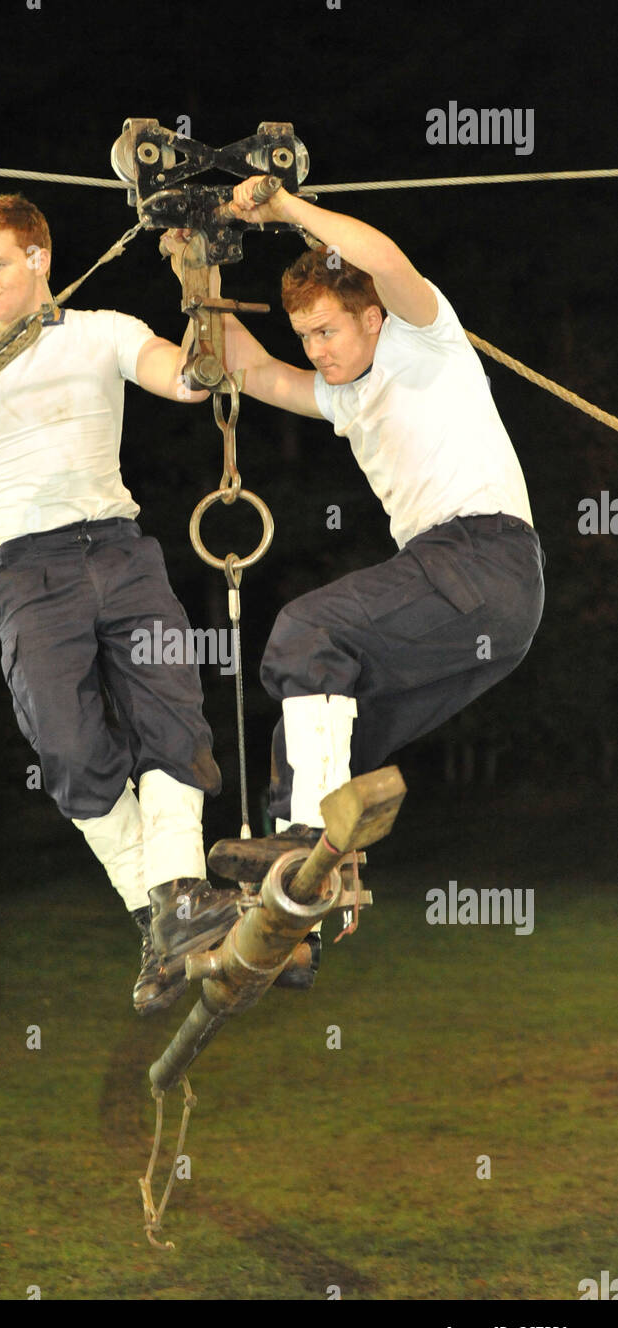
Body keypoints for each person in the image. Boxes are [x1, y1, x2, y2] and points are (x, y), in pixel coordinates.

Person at [0, 192, 283, 1016]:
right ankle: (162, 915)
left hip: (120, 553)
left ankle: (180, 903)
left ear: (40, 259)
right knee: (68, 750)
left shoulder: (105, 331)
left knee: (172, 722)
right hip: (27, 571)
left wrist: (199, 284)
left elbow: (189, 380)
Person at [209, 177, 545, 970]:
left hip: (480, 558)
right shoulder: (343, 394)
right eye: (305, 336)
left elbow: (383, 257)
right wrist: (200, 269)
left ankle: (296, 843)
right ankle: (297, 923)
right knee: (323, 731)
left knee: (306, 630)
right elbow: (251, 373)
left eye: (326, 331)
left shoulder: (422, 336)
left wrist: (285, 208)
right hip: (482, 611)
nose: (315, 350)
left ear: (371, 317)